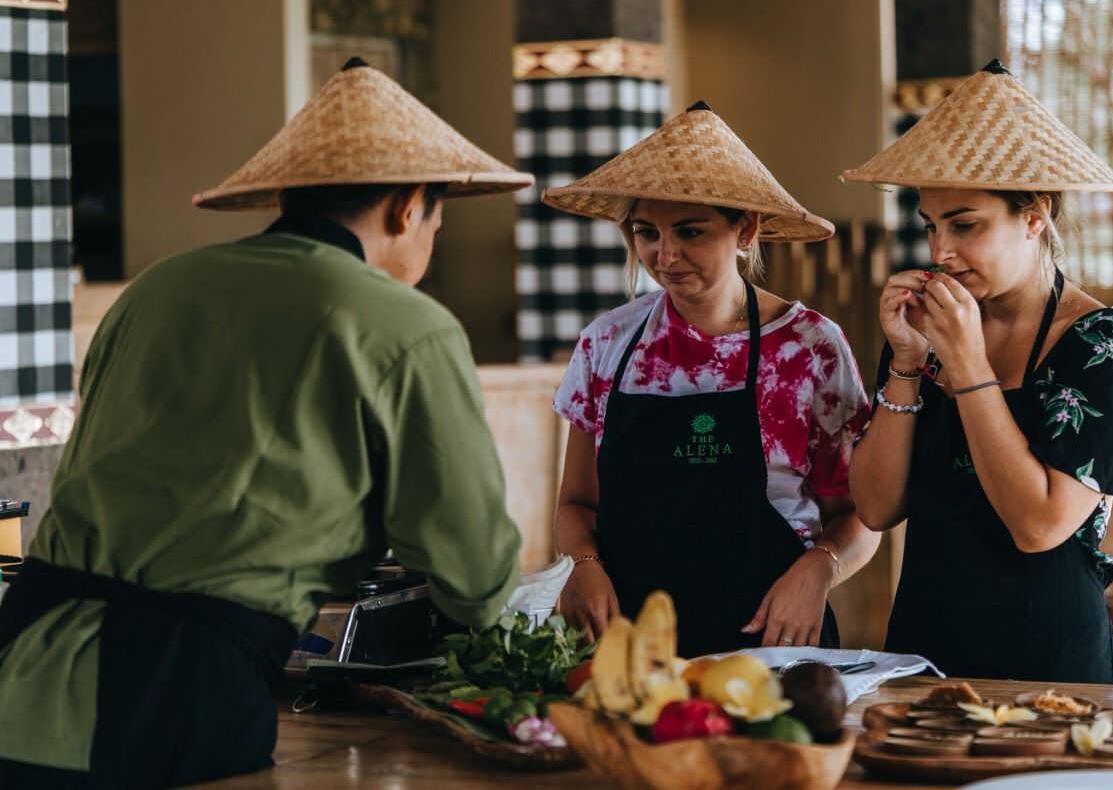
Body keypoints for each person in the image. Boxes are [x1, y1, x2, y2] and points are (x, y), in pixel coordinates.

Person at [0, 58, 529, 786]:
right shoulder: (408, 326)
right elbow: (474, 574)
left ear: (287, 194)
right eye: (437, 218)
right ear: (410, 207)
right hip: (173, 700)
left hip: (23, 665)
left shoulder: (153, 289)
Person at [843, 60, 1113, 684]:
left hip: (1053, 666)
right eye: (930, 226)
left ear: (1034, 215)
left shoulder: (1102, 344)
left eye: (965, 225)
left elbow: (1039, 525)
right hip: (921, 656)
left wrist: (968, 364)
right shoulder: (928, 329)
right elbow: (876, 508)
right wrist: (905, 360)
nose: (939, 252)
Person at [544, 102, 881, 658]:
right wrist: (582, 565)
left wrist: (819, 571)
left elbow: (860, 517)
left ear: (745, 229)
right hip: (628, 651)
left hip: (769, 650)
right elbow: (576, 503)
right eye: (646, 232)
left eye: (690, 231)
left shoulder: (810, 349)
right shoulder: (607, 343)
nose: (664, 255)